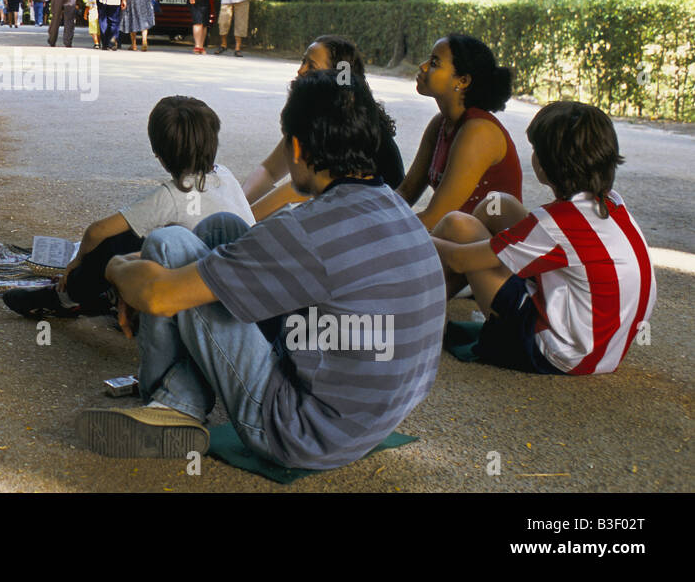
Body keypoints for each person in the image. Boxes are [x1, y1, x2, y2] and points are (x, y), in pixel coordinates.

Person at [75, 72, 445, 467]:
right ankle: (179, 397)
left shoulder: (307, 230)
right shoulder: (390, 206)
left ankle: (172, 404)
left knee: (170, 245)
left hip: (299, 431)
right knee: (225, 230)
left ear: (297, 148)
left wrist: (115, 267)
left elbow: (157, 295)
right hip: (371, 418)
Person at [432, 101, 654, 375]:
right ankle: (441, 295)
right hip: (603, 346)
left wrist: (410, 231)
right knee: (498, 204)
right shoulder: (611, 203)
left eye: (536, 150)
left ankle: (422, 308)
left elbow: (459, 260)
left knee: (458, 227)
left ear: (548, 164)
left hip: (556, 352)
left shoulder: (556, 225)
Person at [3, 96, 253, 319]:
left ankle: (63, 299)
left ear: (159, 156)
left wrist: (76, 262)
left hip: (193, 295)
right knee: (150, 235)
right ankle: (111, 297)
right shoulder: (226, 175)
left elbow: (97, 231)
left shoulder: (174, 195)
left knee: (116, 241)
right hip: (238, 289)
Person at [244, 35, 404, 220]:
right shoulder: (319, 115)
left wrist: (246, 217)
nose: (300, 70)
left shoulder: (344, 123)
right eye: (303, 61)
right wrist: (238, 203)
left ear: (338, 76)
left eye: (311, 66)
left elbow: (304, 187)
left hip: (373, 217)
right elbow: (270, 170)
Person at [398, 33, 522, 231]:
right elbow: (405, 192)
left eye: (434, 63)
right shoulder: (440, 124)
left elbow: (435, 218)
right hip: (455, 240)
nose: (422, 66)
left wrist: (373, 233)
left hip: (486, 251)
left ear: (462, 81)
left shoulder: (478, 131)